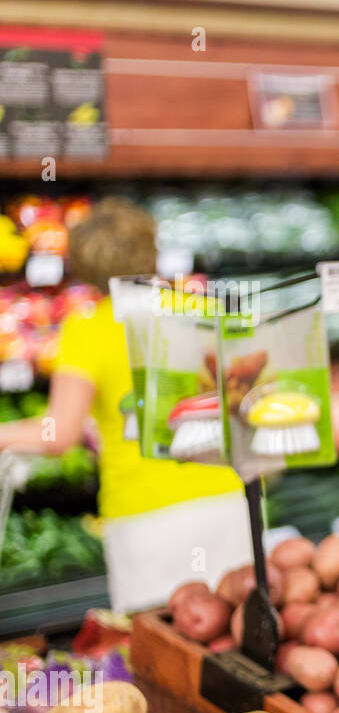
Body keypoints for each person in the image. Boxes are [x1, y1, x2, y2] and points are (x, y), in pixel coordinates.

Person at [0, 198, 251, 613]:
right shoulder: (203, 310)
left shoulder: (88, 331)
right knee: (231, 638)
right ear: (153, 249)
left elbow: (59, 434)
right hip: (225, 500)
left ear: (84, 266)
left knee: (157, 653)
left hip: (143, 517)